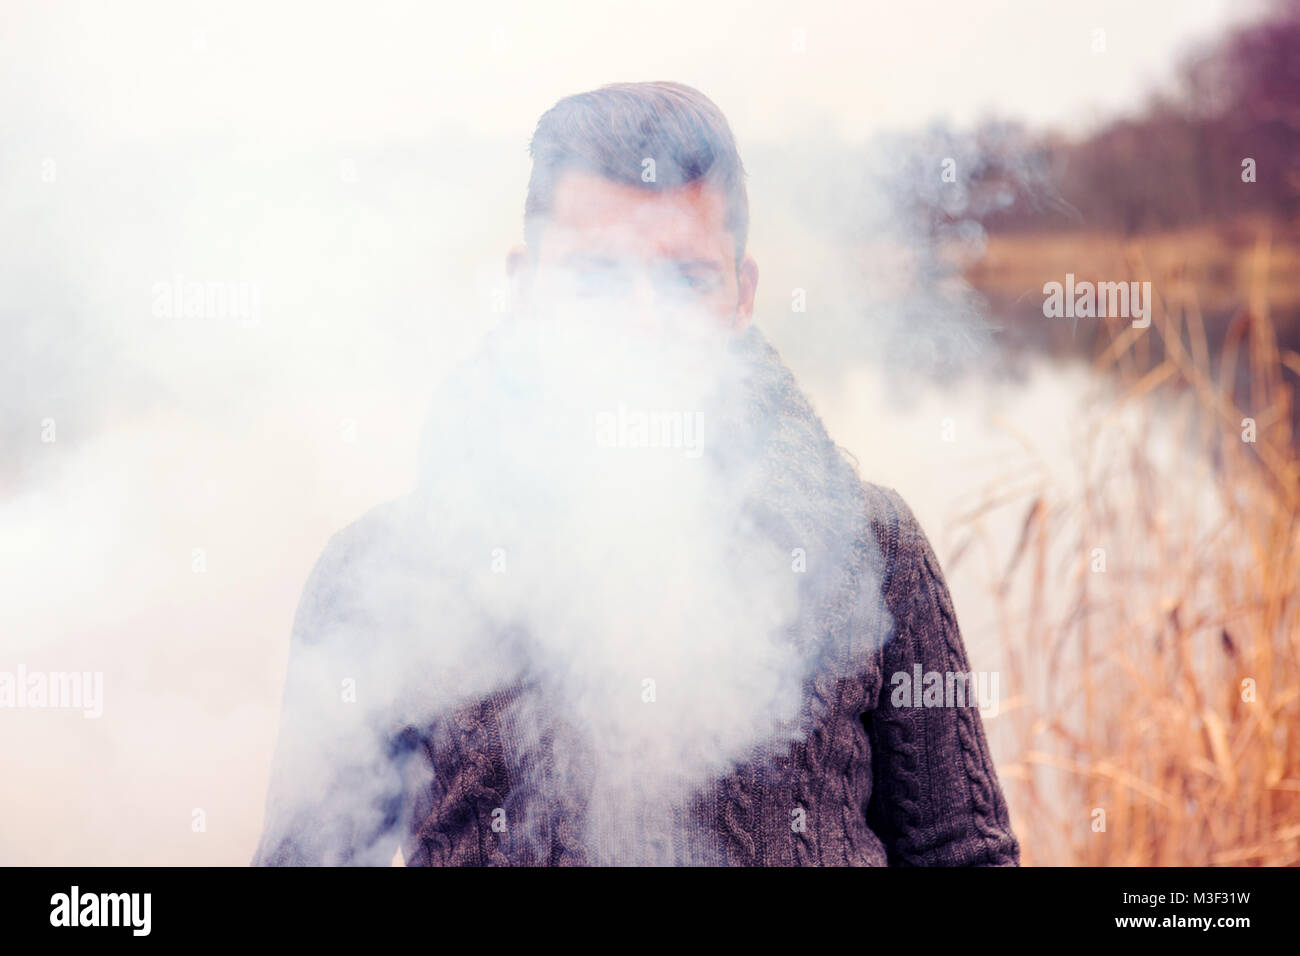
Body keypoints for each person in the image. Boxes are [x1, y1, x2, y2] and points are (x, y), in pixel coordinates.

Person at [252, 81, 1020, 867]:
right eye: (597, 276)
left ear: (740, 296)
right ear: (525, 289)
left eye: (687, 278)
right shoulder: (380, 576)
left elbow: (963, 854)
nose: (645, 321)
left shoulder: (874, 548)